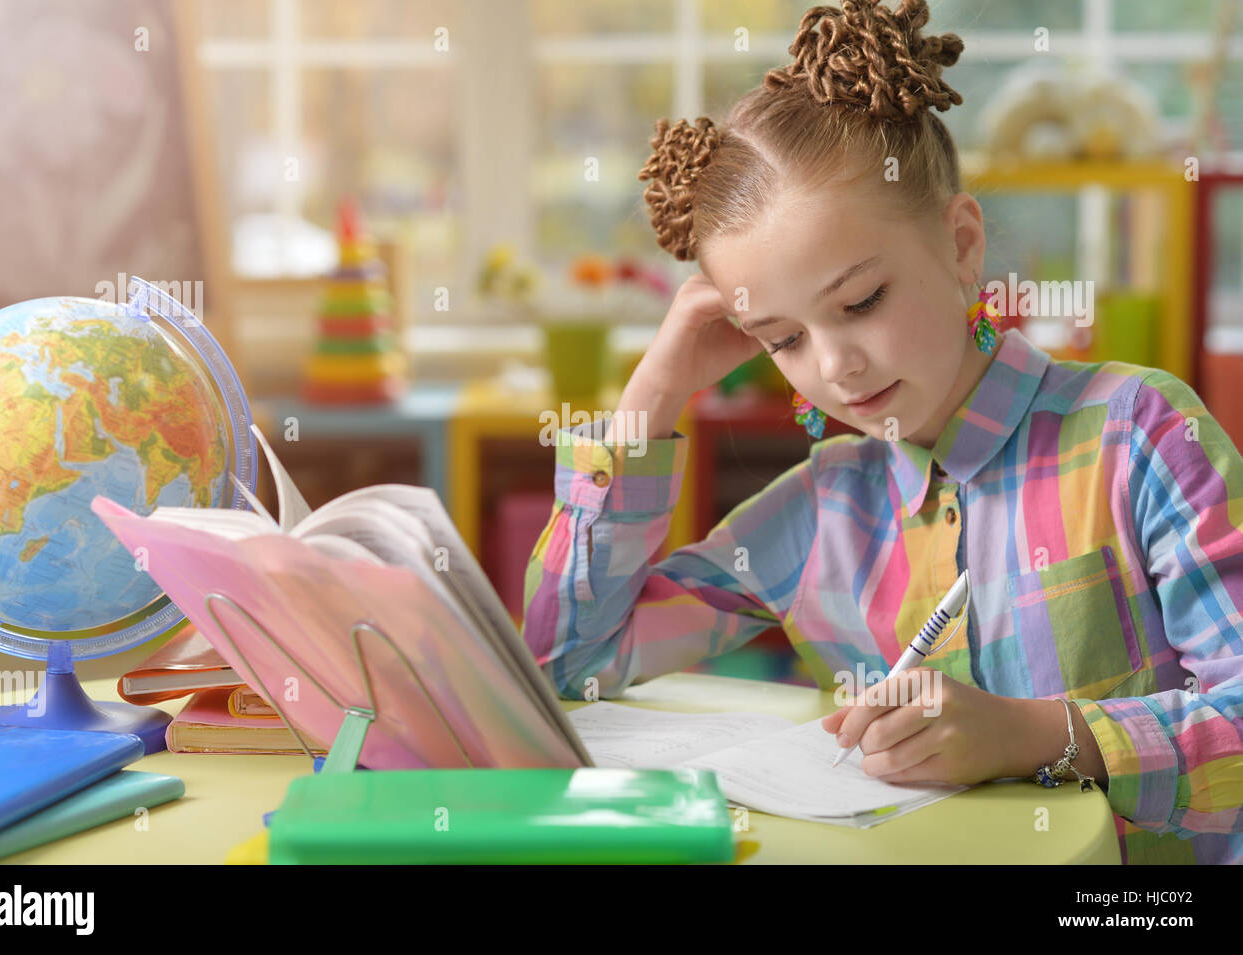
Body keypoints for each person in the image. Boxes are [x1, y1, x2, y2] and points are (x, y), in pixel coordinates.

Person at [520, 0, 1243, 865]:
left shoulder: (1139, 434)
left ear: (963, 245)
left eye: (861, 302)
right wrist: (655, 390)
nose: (837, 368)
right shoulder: (822, 510)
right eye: (783, 339)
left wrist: (1029, 734)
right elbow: (566, 661)